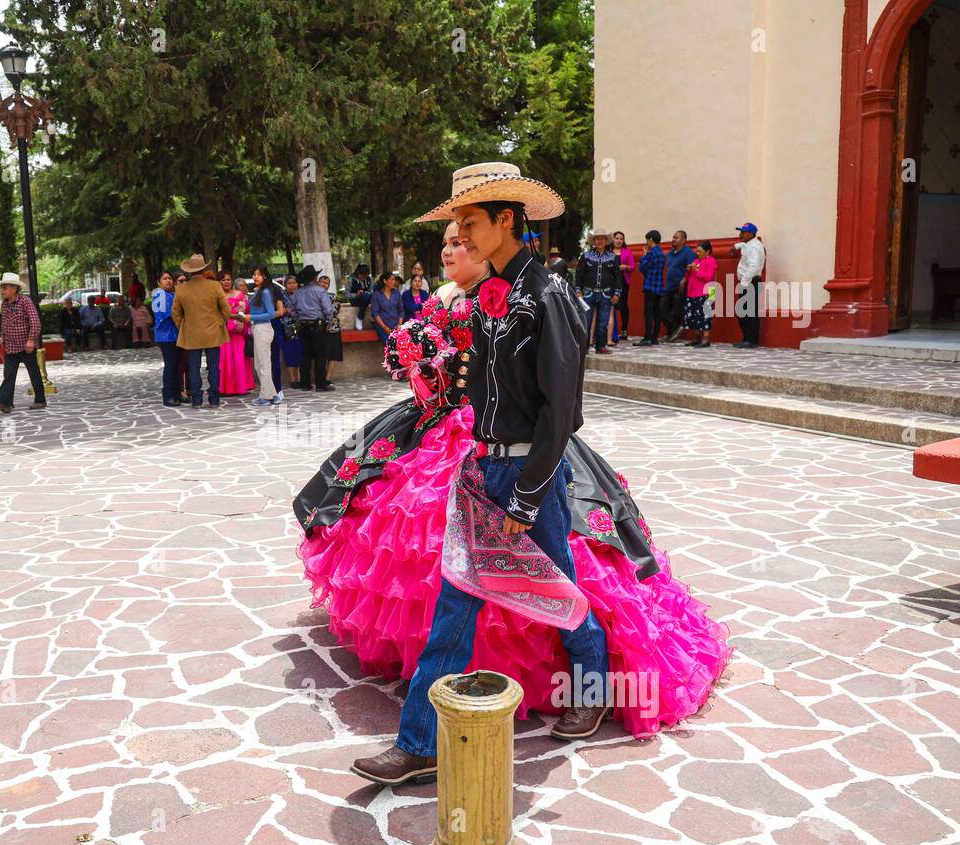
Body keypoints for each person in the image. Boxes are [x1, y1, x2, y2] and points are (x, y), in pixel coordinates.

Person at [293, 163, 729, 786]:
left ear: (506, 221)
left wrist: (527, 491)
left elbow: (564, 409)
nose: (460, 237)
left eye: (469, 223)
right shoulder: (489, 296)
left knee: (555, 588)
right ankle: (420, 742)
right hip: (483, 468)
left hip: (533, 473)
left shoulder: (549, 295)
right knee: (456, 602)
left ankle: (591, 687)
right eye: (456, 226)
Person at [171, 254, 230, 408]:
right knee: (213, 367)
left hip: (191, 333)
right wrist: (220, 323)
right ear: (204, 268)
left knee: (193, 368)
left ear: (189, 271)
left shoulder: (181, 289)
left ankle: (196, 399)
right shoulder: (215, 286)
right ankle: (214, 399)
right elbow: (226, 309)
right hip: (213, 332)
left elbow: (175, 313)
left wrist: (183, 326)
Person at [0, 272, 46, 413]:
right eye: (2, 288)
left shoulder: (25, 301)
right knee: (8, 374)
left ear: (14, 289)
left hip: (26, 346)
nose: (2, 291)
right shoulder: (4, 304)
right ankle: (5, 403)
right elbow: (4, 323)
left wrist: (31, 339)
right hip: (11, 347)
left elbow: (35, 322)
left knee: (34, 373)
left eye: (5, 288)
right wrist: (2, 337)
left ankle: (40, 400)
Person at [574, 228, 621, 354]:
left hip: (606, 294)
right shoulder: (586, 256)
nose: (599, 241)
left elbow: (617, 276)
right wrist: (578, 290)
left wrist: (617, 293)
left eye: (602, 239)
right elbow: (579, 275)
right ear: (593, 241)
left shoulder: (613, 257)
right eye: (597, 239)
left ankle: (600, 346)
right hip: (588, 293)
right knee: (586, 322)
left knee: (603, 323)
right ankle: (584, 348)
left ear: (606, 241)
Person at [291, 264, 335, 392]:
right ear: (315, 278)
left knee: (306, 355)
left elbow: (293, 312)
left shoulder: (298, 293)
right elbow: (328, 310)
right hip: (318, 326)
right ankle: (320, 384)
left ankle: (305, 384)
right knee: (320, 355)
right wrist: (328, 322)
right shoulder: (320, 291)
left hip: (303, 326)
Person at [248, 266, 281, 407]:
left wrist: (251, 316)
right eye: (254, 274)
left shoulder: (266, 292)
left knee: (263, 364)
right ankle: (273, 394)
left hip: (263, 328)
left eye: (259, 275)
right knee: (259, 364)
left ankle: (265, 396)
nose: (255, 277)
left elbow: (272, 314)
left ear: (265, 277)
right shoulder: (259, 292)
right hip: (258, 328)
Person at [219, 272, 255, 395]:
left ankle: (240, 387)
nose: (226, 282)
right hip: (222, 334)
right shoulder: (217, 296)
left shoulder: (239, 294)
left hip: (238, 334)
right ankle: (226, 388)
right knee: (224, 361)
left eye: (228, 279)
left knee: (239, 360)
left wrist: (233, 316)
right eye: (223, 279)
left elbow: (246, 311)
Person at [151, 272, 182, 406]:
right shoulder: (159, 294)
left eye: (170, 278)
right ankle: (168, 395)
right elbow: (163, 314)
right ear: (159, 282)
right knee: (170, 365)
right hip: (165, 335)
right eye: (165, 279)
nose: (168, 281)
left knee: (176, 366)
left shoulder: (174, 294)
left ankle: (176, 394)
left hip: (177, 335)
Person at [733, 221, 765, 348]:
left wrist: (744, 283)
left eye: (743, 232)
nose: (740, 234)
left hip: (750, 282)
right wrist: (735, 247)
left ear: (751, 234)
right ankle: (746, 338)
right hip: (748, 282)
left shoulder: (754, 248)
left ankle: (751, 340)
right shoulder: (748, 244)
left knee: (749, 312)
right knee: (743, 311)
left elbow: (753, 267)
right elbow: (743, 245)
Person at [634, 230, 668, 345]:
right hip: (659, 287)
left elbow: (642, 268)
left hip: (650, 286)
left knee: (648, 312)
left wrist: (644, 256)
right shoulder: (662, 254)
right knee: (656, 312)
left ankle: (647, 337)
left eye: (647, 240)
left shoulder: (651, 253)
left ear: (651, 240)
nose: (646, 243)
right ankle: (655, 337)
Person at [683, 241, 718, 348]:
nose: (697, 253)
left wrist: (697, 270)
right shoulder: (696, 261)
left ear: (707, 251)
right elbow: (690, 277)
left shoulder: (711, 261)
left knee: (705, 316)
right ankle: (697, 337)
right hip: (693, 292)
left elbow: (709, 277)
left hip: (706, 292)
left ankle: (706, 339)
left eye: (700, 251)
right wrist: (688, 271)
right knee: (694, 315)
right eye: (696, 251)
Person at [662, 230, 694, 343]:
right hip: (668, 287)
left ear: (684, 240)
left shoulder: (688, 252)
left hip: (680, 287)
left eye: (676, 238)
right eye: (673, 237)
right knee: (662, 309)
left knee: (675, 312)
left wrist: (684, 281)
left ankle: (670, 334)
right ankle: (675, 329)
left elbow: (692, 269)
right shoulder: (670, 253)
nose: (673, 239)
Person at [318, 274, 343, 384]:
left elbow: (334, 310)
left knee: (333, 354)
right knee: (321, 355)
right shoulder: (314, 296)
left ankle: (328, 378)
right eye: (322, 282)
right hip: (319, 330)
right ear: (318, 283)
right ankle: (321, 377)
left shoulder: (333, 296)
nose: (324, 285)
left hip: (333, 329)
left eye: (326, 283)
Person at [368, 272, 404, 343]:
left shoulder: (396, 293)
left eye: (394, 280)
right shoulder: (376, 295)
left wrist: (399, 326)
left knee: (400, 344)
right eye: (392, 279)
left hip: (396, 325)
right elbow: (375, 313)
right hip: (382, 325)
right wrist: (384, 327)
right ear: (385, 281)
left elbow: (401, 310)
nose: (394, 282)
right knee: (389, 344)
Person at [613, 230, 634, 341]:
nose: (619, 240)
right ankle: (611, 331)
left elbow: (633, 267)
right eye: (617, 238)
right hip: (610, 282)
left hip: (623, 282)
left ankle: (624, 330)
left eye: (621, 239)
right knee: (610, 305)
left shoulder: (627, 252)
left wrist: (626, 267)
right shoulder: (608, 252)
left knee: (622, 305)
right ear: (613, 239)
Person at [347, 264, 372, 328]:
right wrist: (356, 294)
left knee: (373, 295)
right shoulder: (351, 279)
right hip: (355, 300)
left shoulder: (369, 279)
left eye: (365, 276)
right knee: (365, 296)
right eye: (362, 276)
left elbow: (371, 291)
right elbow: (346, 294)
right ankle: (359, 318)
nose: (363, 278)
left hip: (366, 298)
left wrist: (367, 293)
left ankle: (375, 316)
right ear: (358, 272)